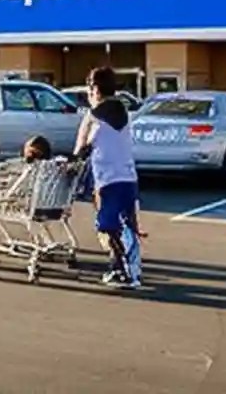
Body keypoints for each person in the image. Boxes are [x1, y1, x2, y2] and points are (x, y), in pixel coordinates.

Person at [73, 66, 142, 289]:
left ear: (95, 89)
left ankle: (121, 271)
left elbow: (81, 149)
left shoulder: (93, 117)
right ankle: (132, 269)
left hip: (107, 180)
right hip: (128, 177)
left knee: (107, 226)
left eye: (90, 88)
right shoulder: (124, 112)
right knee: (128, 223)